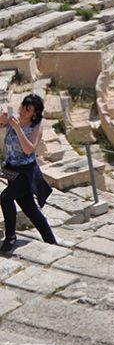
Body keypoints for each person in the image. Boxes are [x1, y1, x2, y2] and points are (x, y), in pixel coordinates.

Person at [1, 94, 56, 252]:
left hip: (26, 173)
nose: (23, 111)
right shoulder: (14, 119)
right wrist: (2, 120)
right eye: (23, 107)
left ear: (34, 113)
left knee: (5, 197)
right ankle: (51, 241)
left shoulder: (36, 127)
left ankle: (11, 237)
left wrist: (18, 129)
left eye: (27, 109)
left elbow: (28, 149)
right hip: (12, 171)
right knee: (29, 209)